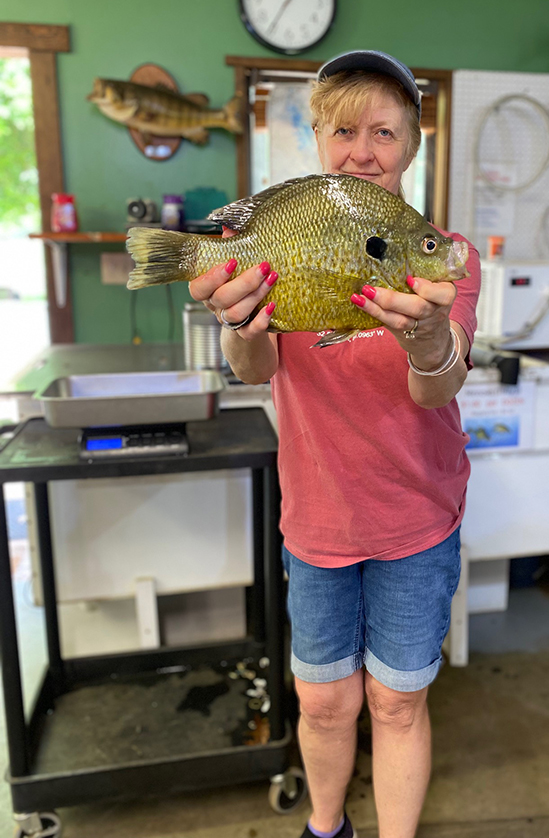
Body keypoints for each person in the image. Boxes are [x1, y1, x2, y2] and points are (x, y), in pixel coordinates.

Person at [189, 50, 481, 838]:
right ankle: (325, 828)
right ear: (317, 139)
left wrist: (425, 336)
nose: (363, 149)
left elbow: (438, 384)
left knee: (396, 699)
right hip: (318, 517)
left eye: (384, 131)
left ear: (412, 145)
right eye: (344, 129)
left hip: (416, 516)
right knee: (322, 701)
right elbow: (256, 368)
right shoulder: (286, 234)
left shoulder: (443, 254)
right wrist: (240, 321)